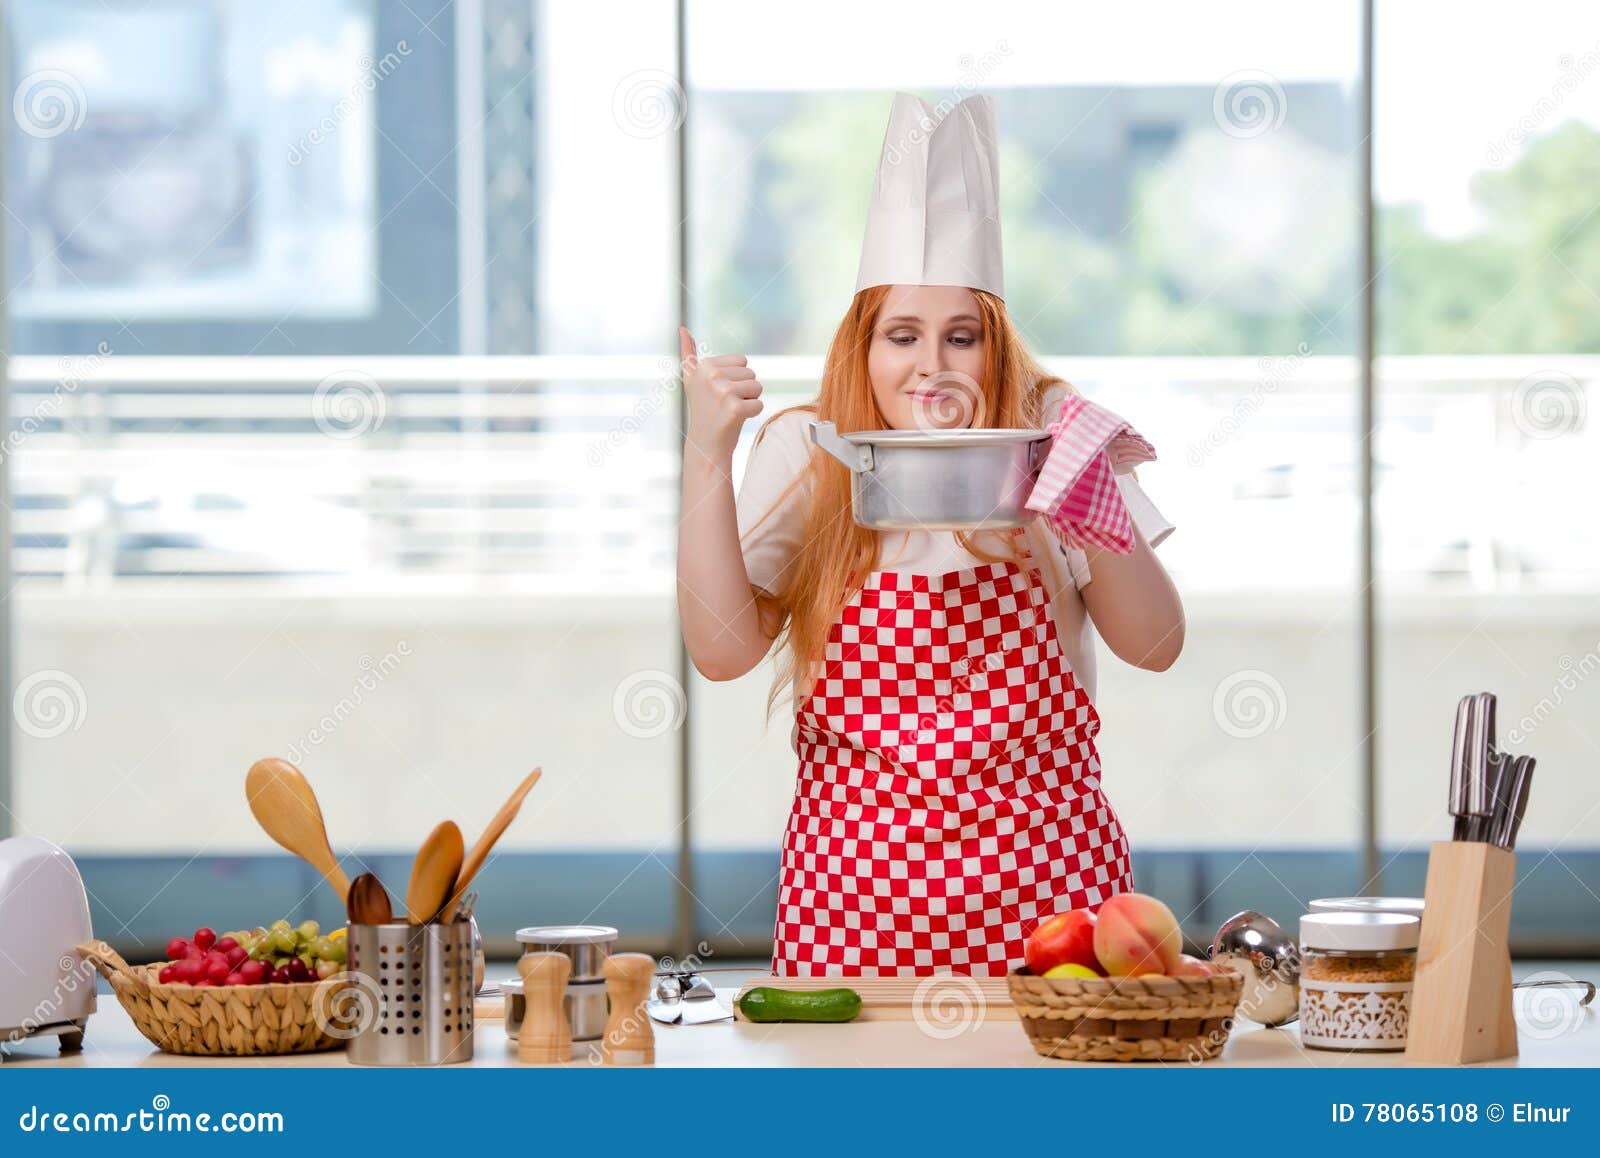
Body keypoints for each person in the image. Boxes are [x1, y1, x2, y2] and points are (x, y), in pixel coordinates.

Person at [677, 92, 1184, 976]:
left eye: (961, 337)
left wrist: (1084, 476)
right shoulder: (807, 450)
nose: (931, 367)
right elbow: (721, 655)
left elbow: (1156, 644)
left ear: (995, 349)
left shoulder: (1051, 440)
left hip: (1053, 908)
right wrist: (703, 456)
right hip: (853, 911)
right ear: (861, 350)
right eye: (902, 335)